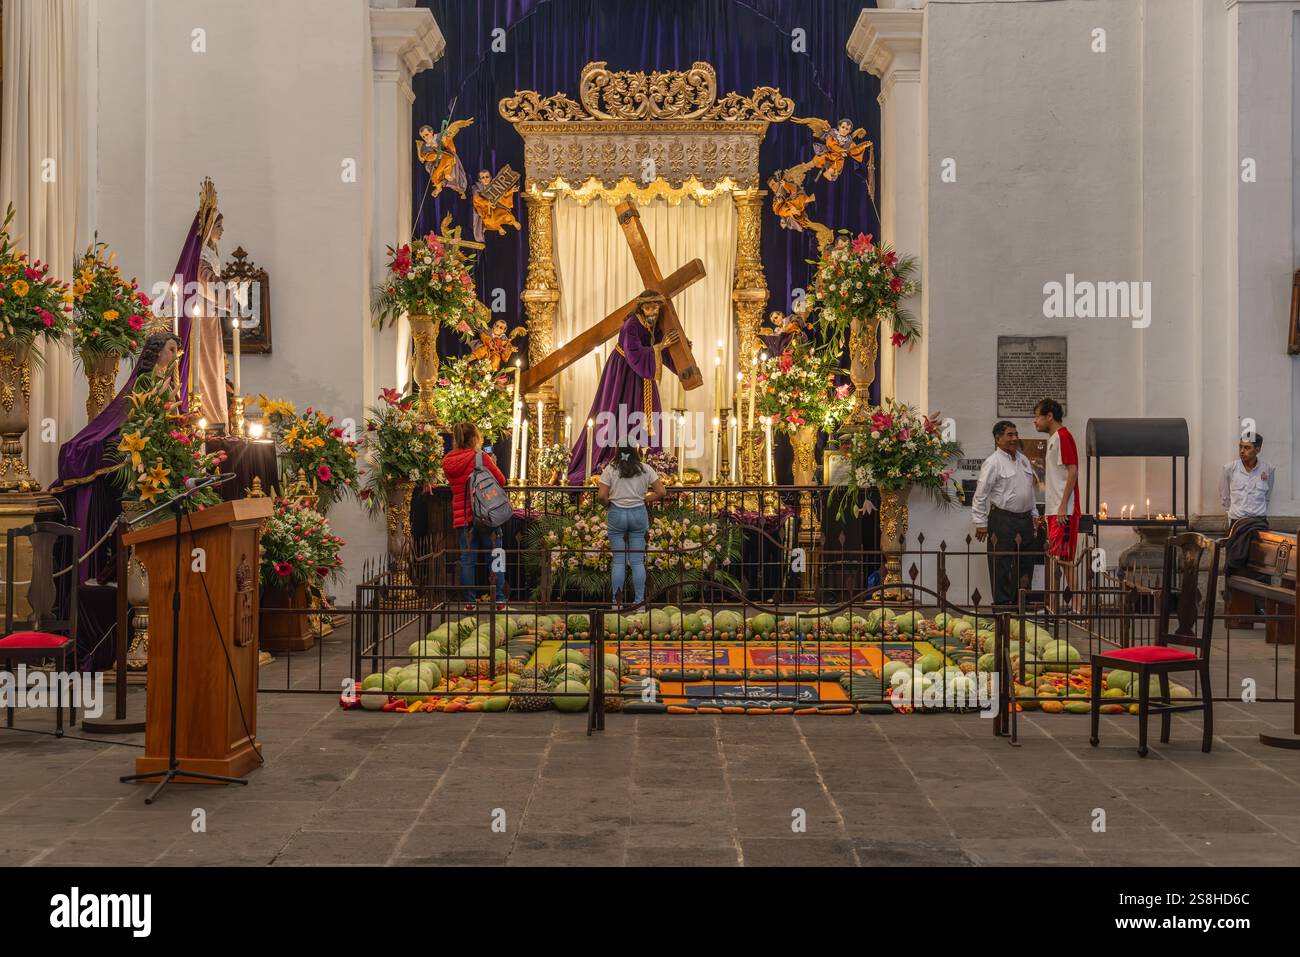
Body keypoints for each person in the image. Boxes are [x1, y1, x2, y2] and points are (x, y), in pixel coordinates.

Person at [50, 332, 182, 670]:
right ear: (156, 353)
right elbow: (131, 424)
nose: (175, 356)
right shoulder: (148, 383)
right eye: (171, 350)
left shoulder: (164, 383)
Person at [566, 289, 680, 484]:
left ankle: (650, 463)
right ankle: (611, 461)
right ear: (642, 308)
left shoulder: (654, 324)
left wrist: (681, 352)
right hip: (623, 372)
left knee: (649, 414)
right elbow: (635, 354)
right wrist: (660, 347)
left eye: (656, 307)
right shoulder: (631, 325)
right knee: (617, 413)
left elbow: (666, 350)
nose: (653, 311)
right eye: (649, 307)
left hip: (643, 374)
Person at [971, 420, 1040, 607]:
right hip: (1002, 519)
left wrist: (1034, 515)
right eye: (1009, 435)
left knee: (1025, 563)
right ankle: (1003, 608)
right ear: (998, 439)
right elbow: (980, 494)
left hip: (1025, 520)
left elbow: (1029, 491)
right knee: (1001, 565)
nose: (1014, 438)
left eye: (1016, 434)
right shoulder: (992, 463)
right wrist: (980, 523)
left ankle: (1021, 604)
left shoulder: (1023, 459)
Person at [442, 423, 509, 610]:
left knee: (467, 560)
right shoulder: (480, 457)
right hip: (487, 517)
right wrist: (492, 464)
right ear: (474, 438)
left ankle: (469, 602)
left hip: (463, 518)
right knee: (495, 555)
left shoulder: (448, 462)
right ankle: (500, 600)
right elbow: (501, 481)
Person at [597, 445, 666, 608]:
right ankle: (640, 604)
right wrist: (644, 499)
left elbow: (601, 496)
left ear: (617, 451)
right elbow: (661, 491)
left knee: (619, 561)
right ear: (636, 451)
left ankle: (617, 603)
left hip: (617, 514)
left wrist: (609, 503)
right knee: (637, 562)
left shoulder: (610, 469)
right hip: (638, 514)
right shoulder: (645, 468)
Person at [1034, 398, 1080, 609]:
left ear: (1049, 416)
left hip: (1064, 511)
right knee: (1055, 558)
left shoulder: (1063, 436)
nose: (1035, 422)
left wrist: (1062, 507)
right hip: (1055, 510)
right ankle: (1052, 605)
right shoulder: (1054, 438)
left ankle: (1078, 606)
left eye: (1038, 416)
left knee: (1065, 560)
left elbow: (1073, 470)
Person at [1220, 431, 1273, 575]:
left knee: (1258, 567)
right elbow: (1225, 497)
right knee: (1236, 568)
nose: (1242, 451)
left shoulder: (1267, 470)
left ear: (1258, 450)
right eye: (1240, 447)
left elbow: (1267, 497)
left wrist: (1256, 514)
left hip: (1258, 525)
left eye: (1247, 448)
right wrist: (1232, 516)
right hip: (1237, 525)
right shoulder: (1230, 469)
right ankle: (1233, 596)